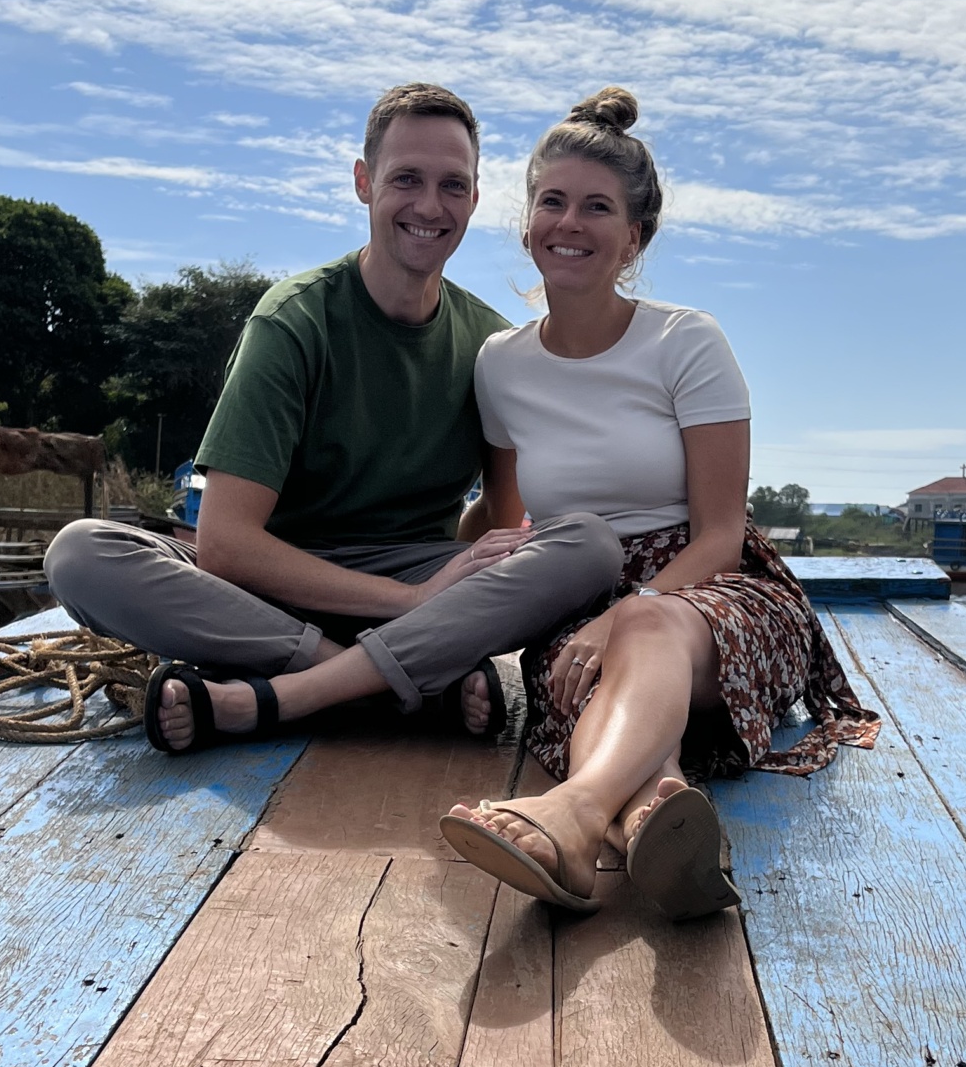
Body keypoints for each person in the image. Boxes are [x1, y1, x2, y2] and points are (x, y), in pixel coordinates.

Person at [44, 84, 622, 751]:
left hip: (416, 578)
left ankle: (283, 694)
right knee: (82, 554)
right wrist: (410, 606)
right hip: (271, 587)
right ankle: (379, 683)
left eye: (452, 185)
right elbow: (227, 545)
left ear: (474, 197)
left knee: (588, 545)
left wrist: (455, 579)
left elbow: (496, 520)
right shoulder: (294, 321)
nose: (430, 206)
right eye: (406, 179)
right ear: (362, 182)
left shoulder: (494, 346)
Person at [438, 89, 877, 921]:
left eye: (597, 207)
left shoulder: (686, 341)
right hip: (576, 590)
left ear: (634, 235)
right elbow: (503, 522)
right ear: (528, 222)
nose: (569, 223)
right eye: (552, 202)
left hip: (714, 590)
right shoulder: (499, 363)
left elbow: (718, 534)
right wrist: (437, 585)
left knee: (643, 628)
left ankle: (570, 814)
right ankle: (653, 814)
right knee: (602, 672)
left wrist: (628, 610)